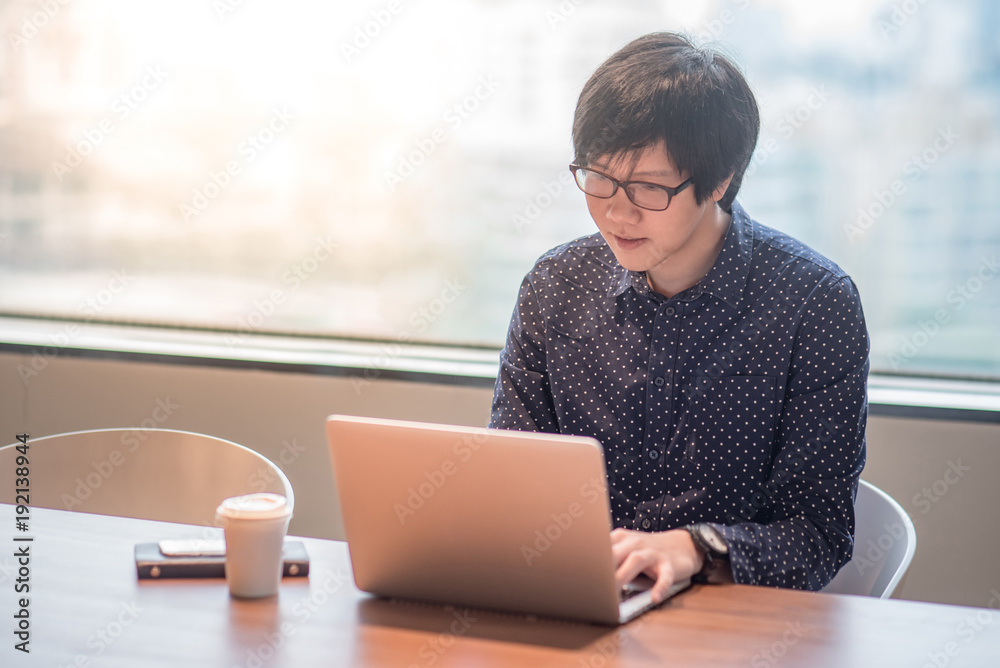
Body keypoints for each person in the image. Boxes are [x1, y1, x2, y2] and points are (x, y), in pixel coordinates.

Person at [489, 32, 869, 603]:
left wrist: (696, 549)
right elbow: (508, 480)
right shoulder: (556, 286)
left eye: (648, 188)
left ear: (719, 181)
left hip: (729, 624)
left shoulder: (812, 305)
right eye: (599, 177)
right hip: (573, 605)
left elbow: (818, 534)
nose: (617, 212)